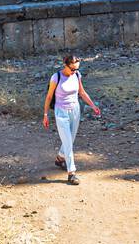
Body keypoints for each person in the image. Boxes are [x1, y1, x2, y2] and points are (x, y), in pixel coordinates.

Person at [42, 54, 100, 185]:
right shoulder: (56, 77)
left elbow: (82, 92)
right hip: (61, 112)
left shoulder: (77, 75)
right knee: (67, 141)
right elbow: (49, 97)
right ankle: (71, 173)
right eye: (72, 69)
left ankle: (60, 158)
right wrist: (45, 115)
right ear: (65, 65)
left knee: (71, 139)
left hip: (75, 110)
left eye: (76, 68)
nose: (74, 71)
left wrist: (93, 106)